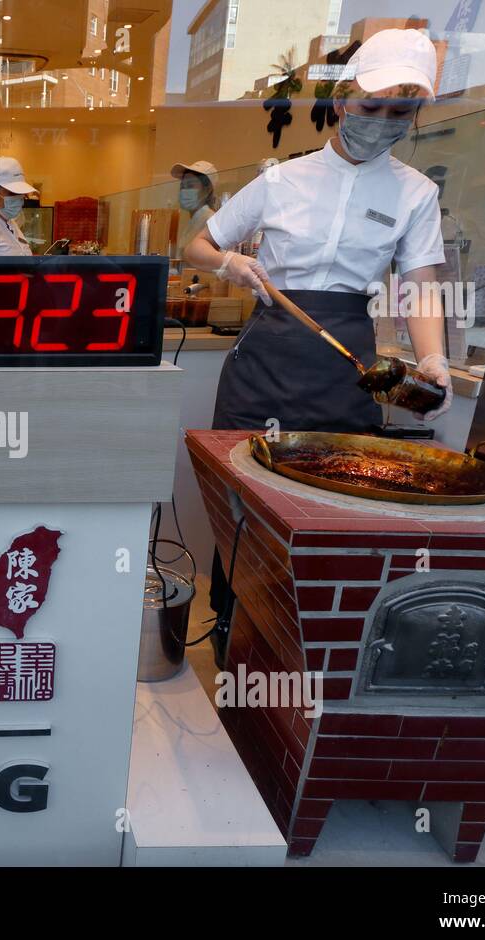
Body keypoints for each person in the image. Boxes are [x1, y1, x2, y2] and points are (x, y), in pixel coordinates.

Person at [180, 28, 451, 661]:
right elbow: (199, 244)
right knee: (243, 502)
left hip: (344, 365)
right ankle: (231, 631)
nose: (382, 123)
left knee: (328, 502)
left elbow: (421, 286)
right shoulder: (282, 180)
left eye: (400, 112)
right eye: (371, 106)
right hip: (267, 358)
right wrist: (229, 267)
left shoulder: (416, 193)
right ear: (344, 99)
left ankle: (298, 643)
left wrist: (433, 360)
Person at [170, 160, 219, 259]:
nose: (184, 191)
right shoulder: (193, 221)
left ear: (207, 189)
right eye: (182, 187)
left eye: (190, 186)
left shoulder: (210, 220)